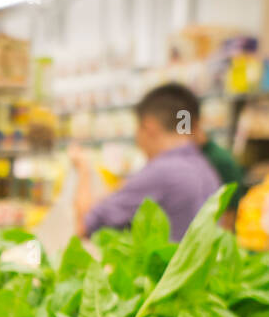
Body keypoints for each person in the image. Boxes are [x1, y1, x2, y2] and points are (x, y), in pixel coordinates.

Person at [71, 82, 222, 240]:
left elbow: (84, 226)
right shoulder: (204, 167)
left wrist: (83, 168)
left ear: (149, 127)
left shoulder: (162, 172)